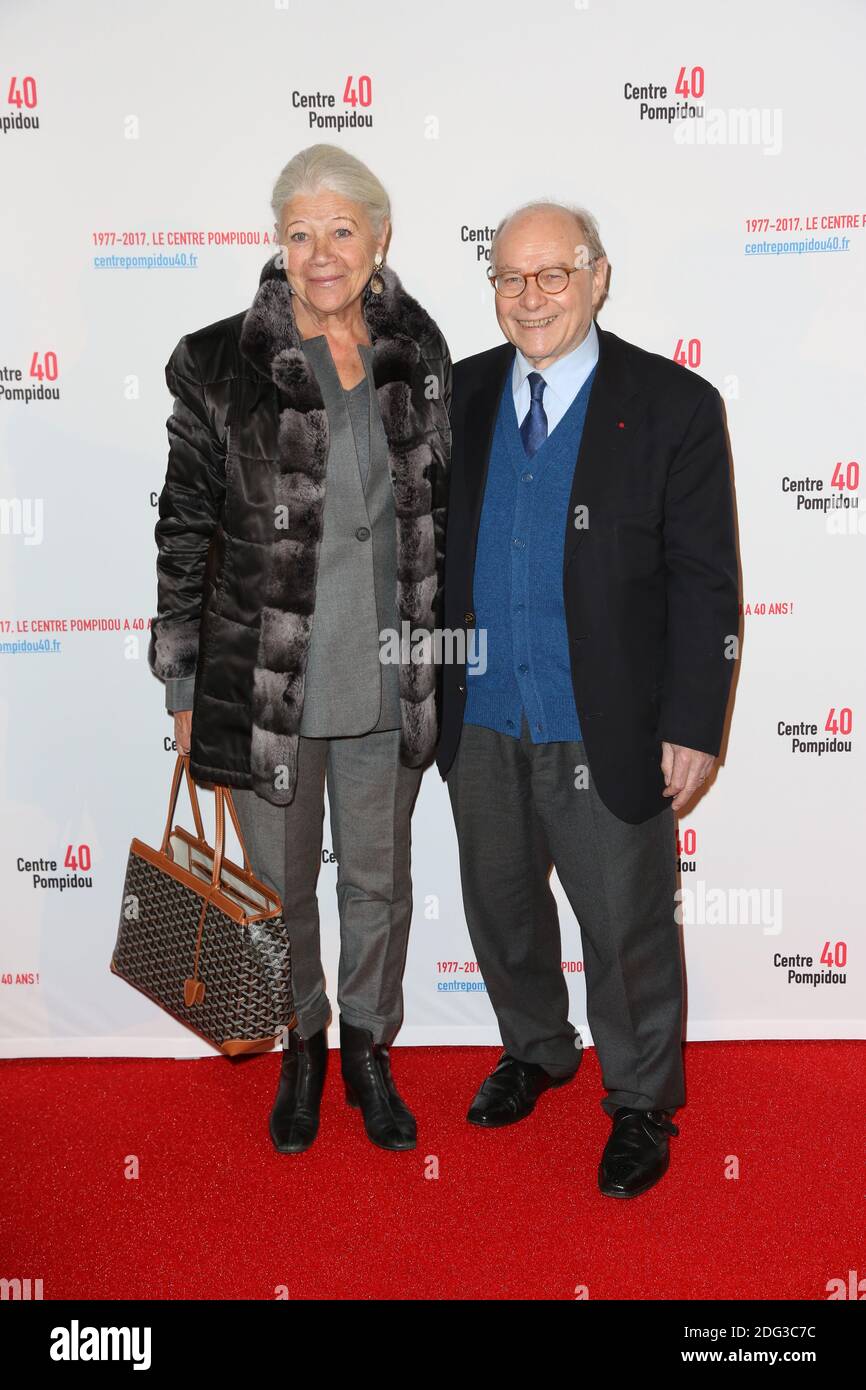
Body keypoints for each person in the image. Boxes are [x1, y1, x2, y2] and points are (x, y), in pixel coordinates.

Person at [148, 143, 452, 1155]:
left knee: (376, 878)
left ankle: (368, 1048)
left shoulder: (421, 351)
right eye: (298, 232)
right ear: (277, 243)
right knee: (282, 892)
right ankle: (303, 1045)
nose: (319, 253)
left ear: (377, 239)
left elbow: (434, 518)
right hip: (260, 681)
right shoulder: (215, 361)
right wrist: (185, 679)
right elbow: (185, 529)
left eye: (340, 229)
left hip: (385, 675)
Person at [436, 200, 739, 1198]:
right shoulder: (459, 395)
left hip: (598, 720)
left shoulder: (670, 406)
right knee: (501, 908)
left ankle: (641, 1100)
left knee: (625, 925)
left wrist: (693, 720)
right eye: (508, 279)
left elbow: (704, 580)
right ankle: (535, 1048)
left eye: (550, 275)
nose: (528, 298)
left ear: (596, 277)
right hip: (478, 714)